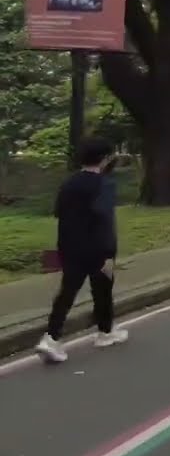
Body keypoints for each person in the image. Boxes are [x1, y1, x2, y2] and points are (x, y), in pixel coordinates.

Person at [36, 137, 130, 363]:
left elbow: (59, 213)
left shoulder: (69, 183)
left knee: (67, 292)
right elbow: (104, 220)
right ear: (105, 159)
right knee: (103, 288)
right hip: (97, 247)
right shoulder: (104, 184)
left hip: (69, 246)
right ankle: (105, 333)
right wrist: (109, 253)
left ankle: (51, 337)